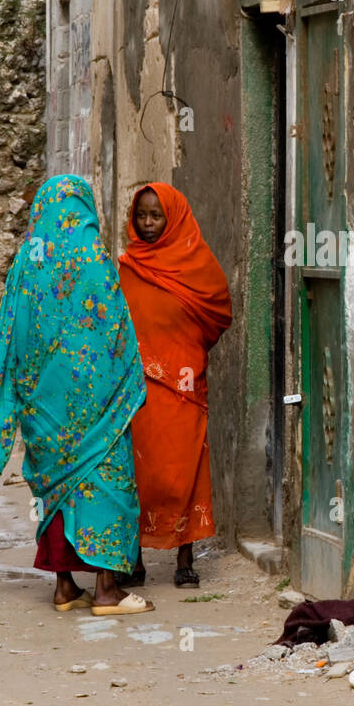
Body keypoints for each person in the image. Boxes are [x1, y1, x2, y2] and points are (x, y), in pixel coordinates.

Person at [0, 175, 154, 616]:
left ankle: (65, 587)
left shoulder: (24, 268)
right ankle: (107, 590)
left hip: (42, 410)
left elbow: (9, 341)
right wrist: (124, 386)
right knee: (108, 488)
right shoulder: (92, 259)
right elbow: (116, 335)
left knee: (54, 493)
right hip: (96, 409)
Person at [117, 183, 232, 587]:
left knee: (186, 470)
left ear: (173, 217)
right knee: (137, 472)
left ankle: (185, 560)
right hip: (139, 389)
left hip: (184, 385)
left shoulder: (197, 263)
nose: (147, 224)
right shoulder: (126, 267)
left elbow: (217, 312)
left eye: (156, 216)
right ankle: (134, 561)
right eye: (141, 215)